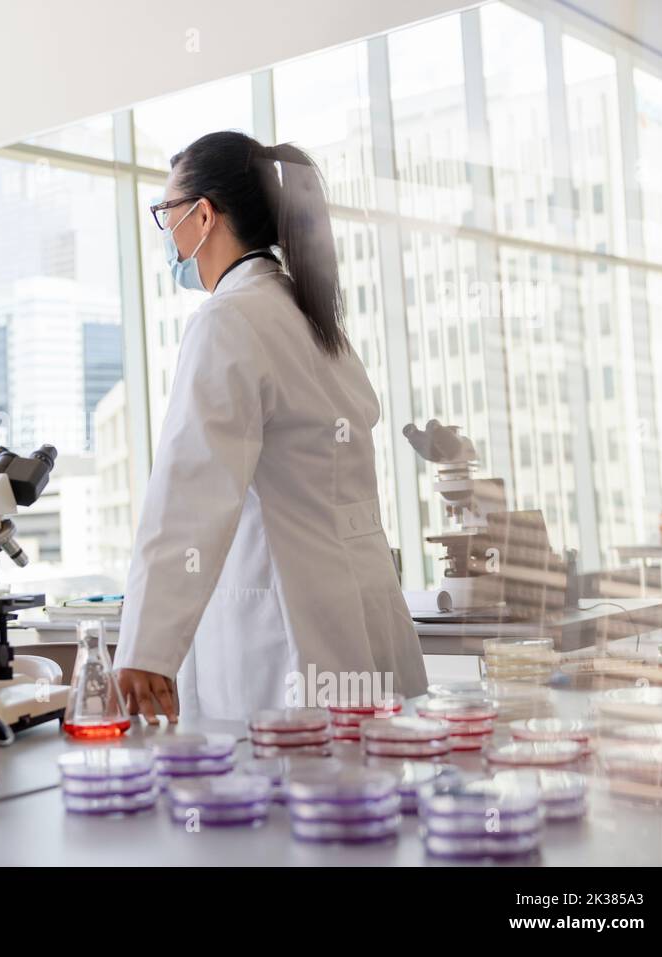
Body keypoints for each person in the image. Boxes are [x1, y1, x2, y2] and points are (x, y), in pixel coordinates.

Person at [115, 131, 425, 723]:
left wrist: (145, 648)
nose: (166, 234)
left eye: (166, 215)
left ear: (202, 215)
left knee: (291, 803)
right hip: (357, 616)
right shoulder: (310, 319)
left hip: (288, 635)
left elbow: (189, 494)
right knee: (370, 800)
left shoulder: (229, 320)